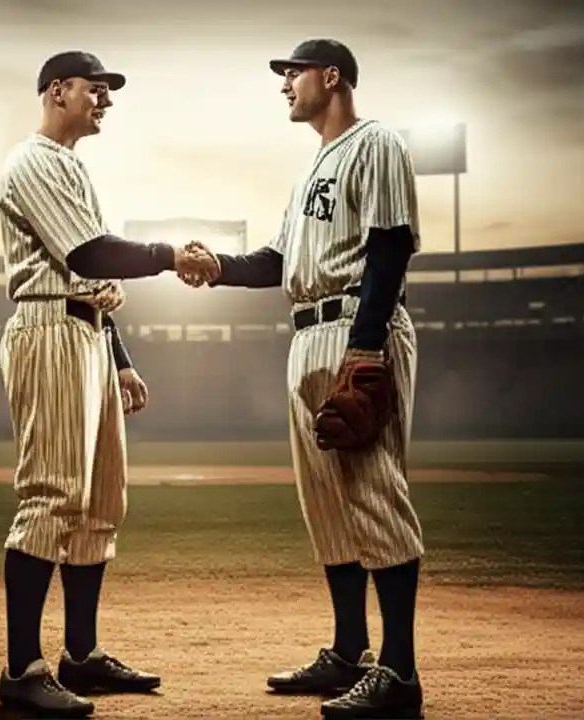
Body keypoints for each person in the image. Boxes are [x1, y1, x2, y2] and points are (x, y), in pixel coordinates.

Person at [176, 39, 426, 720]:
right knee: (329, 506)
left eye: (293, 72)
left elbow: (390, 243)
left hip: (354, 328)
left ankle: (399, 672)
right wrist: (216, 267)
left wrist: (366, 348)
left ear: (332, 76)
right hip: (307, 333)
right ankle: (350, 652)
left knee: (374, 497)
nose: (284, 84)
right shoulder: (312, 167)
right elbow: (278, 261)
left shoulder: (377, 143)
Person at [0, 49, 218, 717]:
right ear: (57, 91)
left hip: (86, 335)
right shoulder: (33, 161)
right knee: (52, 497)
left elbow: (93, 280)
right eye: (96, 90)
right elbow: (89, 256)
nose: (106, 102)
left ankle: (81, 658)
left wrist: (118, 356)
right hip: (48, 332)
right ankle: (21, 669)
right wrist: (170, 253)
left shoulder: (73, 168)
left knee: (98, 506)